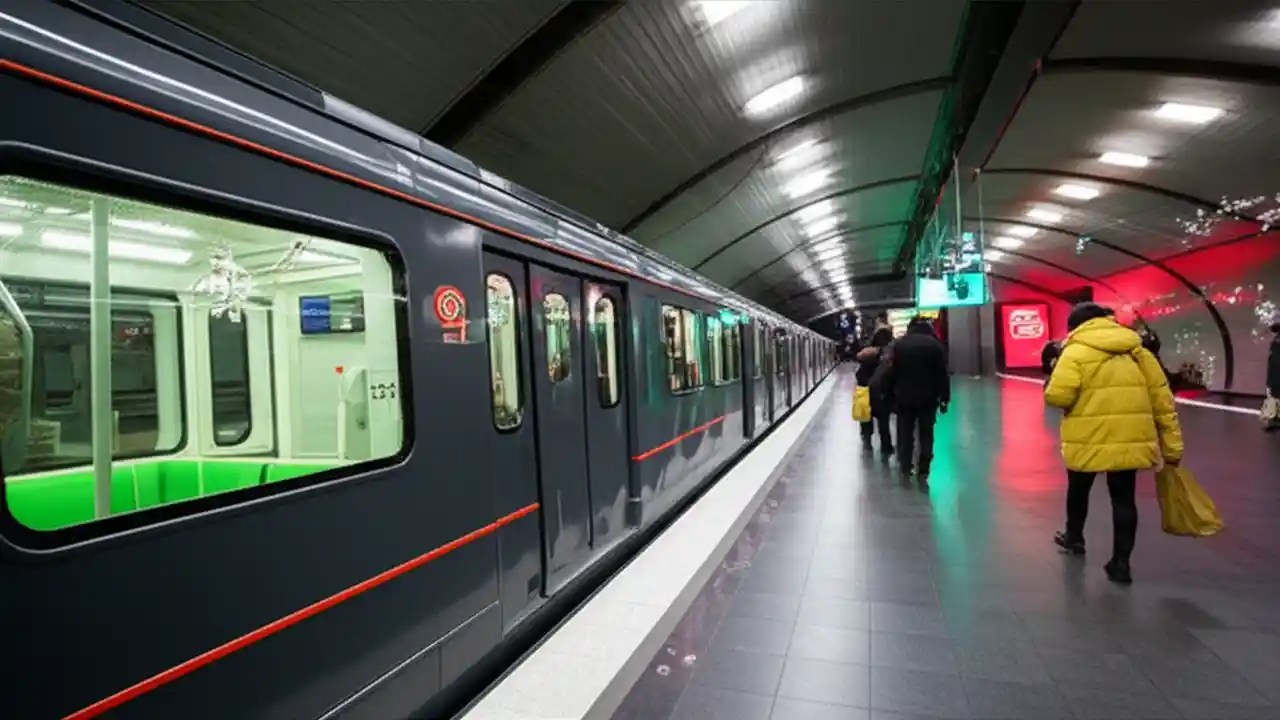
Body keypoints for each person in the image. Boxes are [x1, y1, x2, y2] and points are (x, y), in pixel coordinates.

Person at [1044, 302, 1183, 584]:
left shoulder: (1074, 352)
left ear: (1077, 326)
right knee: (1123, 499)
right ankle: (1121, 563)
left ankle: (1075, 537)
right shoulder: (1139, 353)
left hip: (1087, 436)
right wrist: (1172, 447)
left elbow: (1059, 396)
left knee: (1078, 489)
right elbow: (1163, 401)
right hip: (1129, 438)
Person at [888, 315, 950, 487]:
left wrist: (889, 394)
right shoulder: (935, 346)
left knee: (905, 431)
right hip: (928, 398)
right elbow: (942, 375)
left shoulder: (900, 345)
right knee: (926, 432)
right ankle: (924, 467)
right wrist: (945, 398)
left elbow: (892, 372)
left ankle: (905, 464)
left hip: (904, 397)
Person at [856, 313, 894, 455]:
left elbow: (859, 364)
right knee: (883, 419)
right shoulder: (888, 355)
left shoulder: (868, 352)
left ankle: (867, 440)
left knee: (866, 417)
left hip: (865, 388)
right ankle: (886, 446)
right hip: (881, 390)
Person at [1266, 321, 1280, 432]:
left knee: (1275, 397)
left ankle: (1275, 419)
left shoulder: (1275, 343)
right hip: (1274, 373)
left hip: (1275, 373)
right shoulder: (1275, 342)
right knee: (1274, 397)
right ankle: (1274, 419)